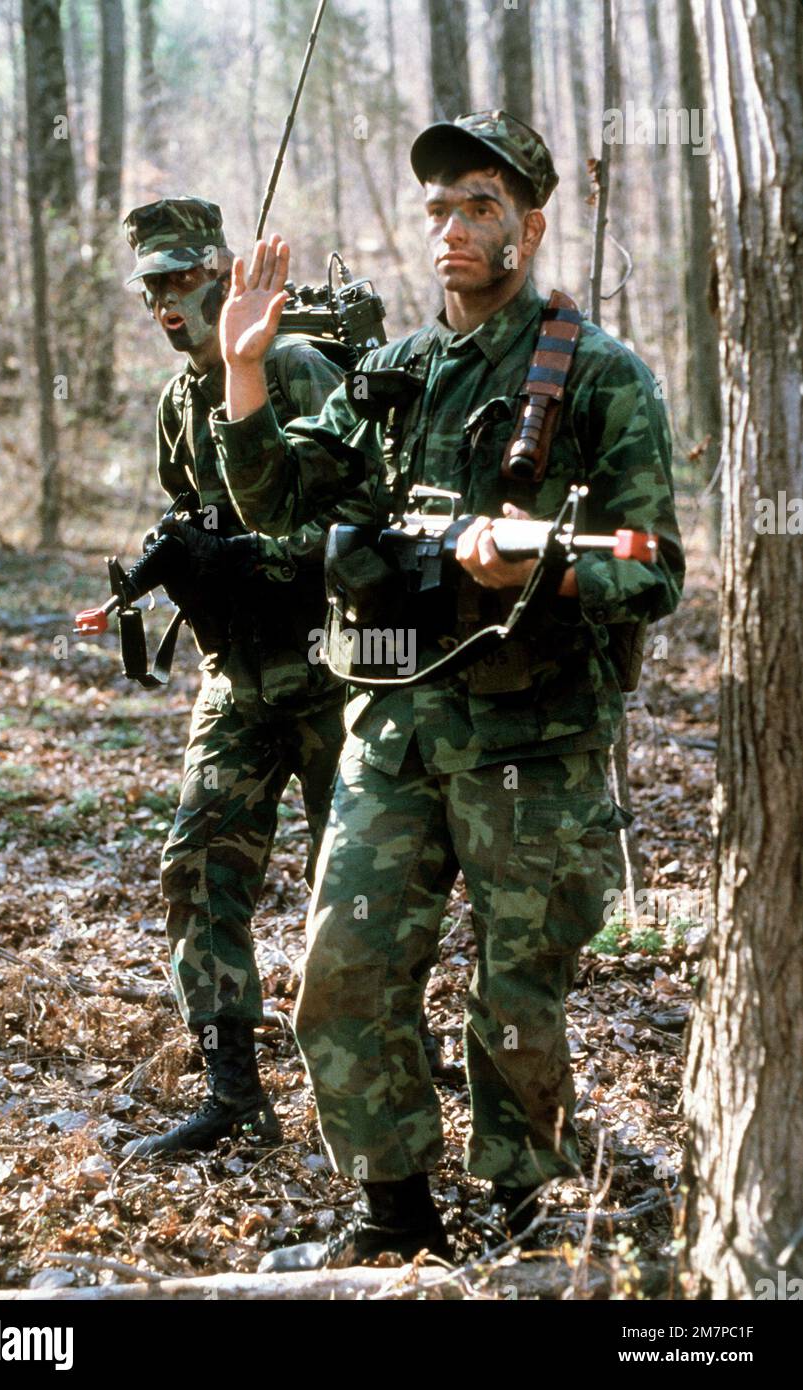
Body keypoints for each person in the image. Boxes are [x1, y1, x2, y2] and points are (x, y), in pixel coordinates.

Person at [210, 112, 685, 1267]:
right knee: (343, 971)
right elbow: (279, 506)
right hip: (394, 723)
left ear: (528, 223)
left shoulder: (595, 373)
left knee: (517, 991)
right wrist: (243, 372)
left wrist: (544, 564)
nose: (451, 230)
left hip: (533, 735)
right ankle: (395, 1217)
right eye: (436, 210)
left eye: (478, 206)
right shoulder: (396, 375)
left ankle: (526, 1208)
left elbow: (654, 565)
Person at [119, 196, 352, 1158]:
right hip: (236, 679)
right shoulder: (178, 401)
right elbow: (191, 514)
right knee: (198, 870)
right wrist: (164, 565)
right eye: (153, 289)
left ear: (221, 268)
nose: (170, 304)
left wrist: (266, 560)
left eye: (182, 279)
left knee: (360, 886)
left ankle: (379, 1069)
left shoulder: (297, 368)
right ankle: (233, 1095)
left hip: (336, 671)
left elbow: (357, 520)